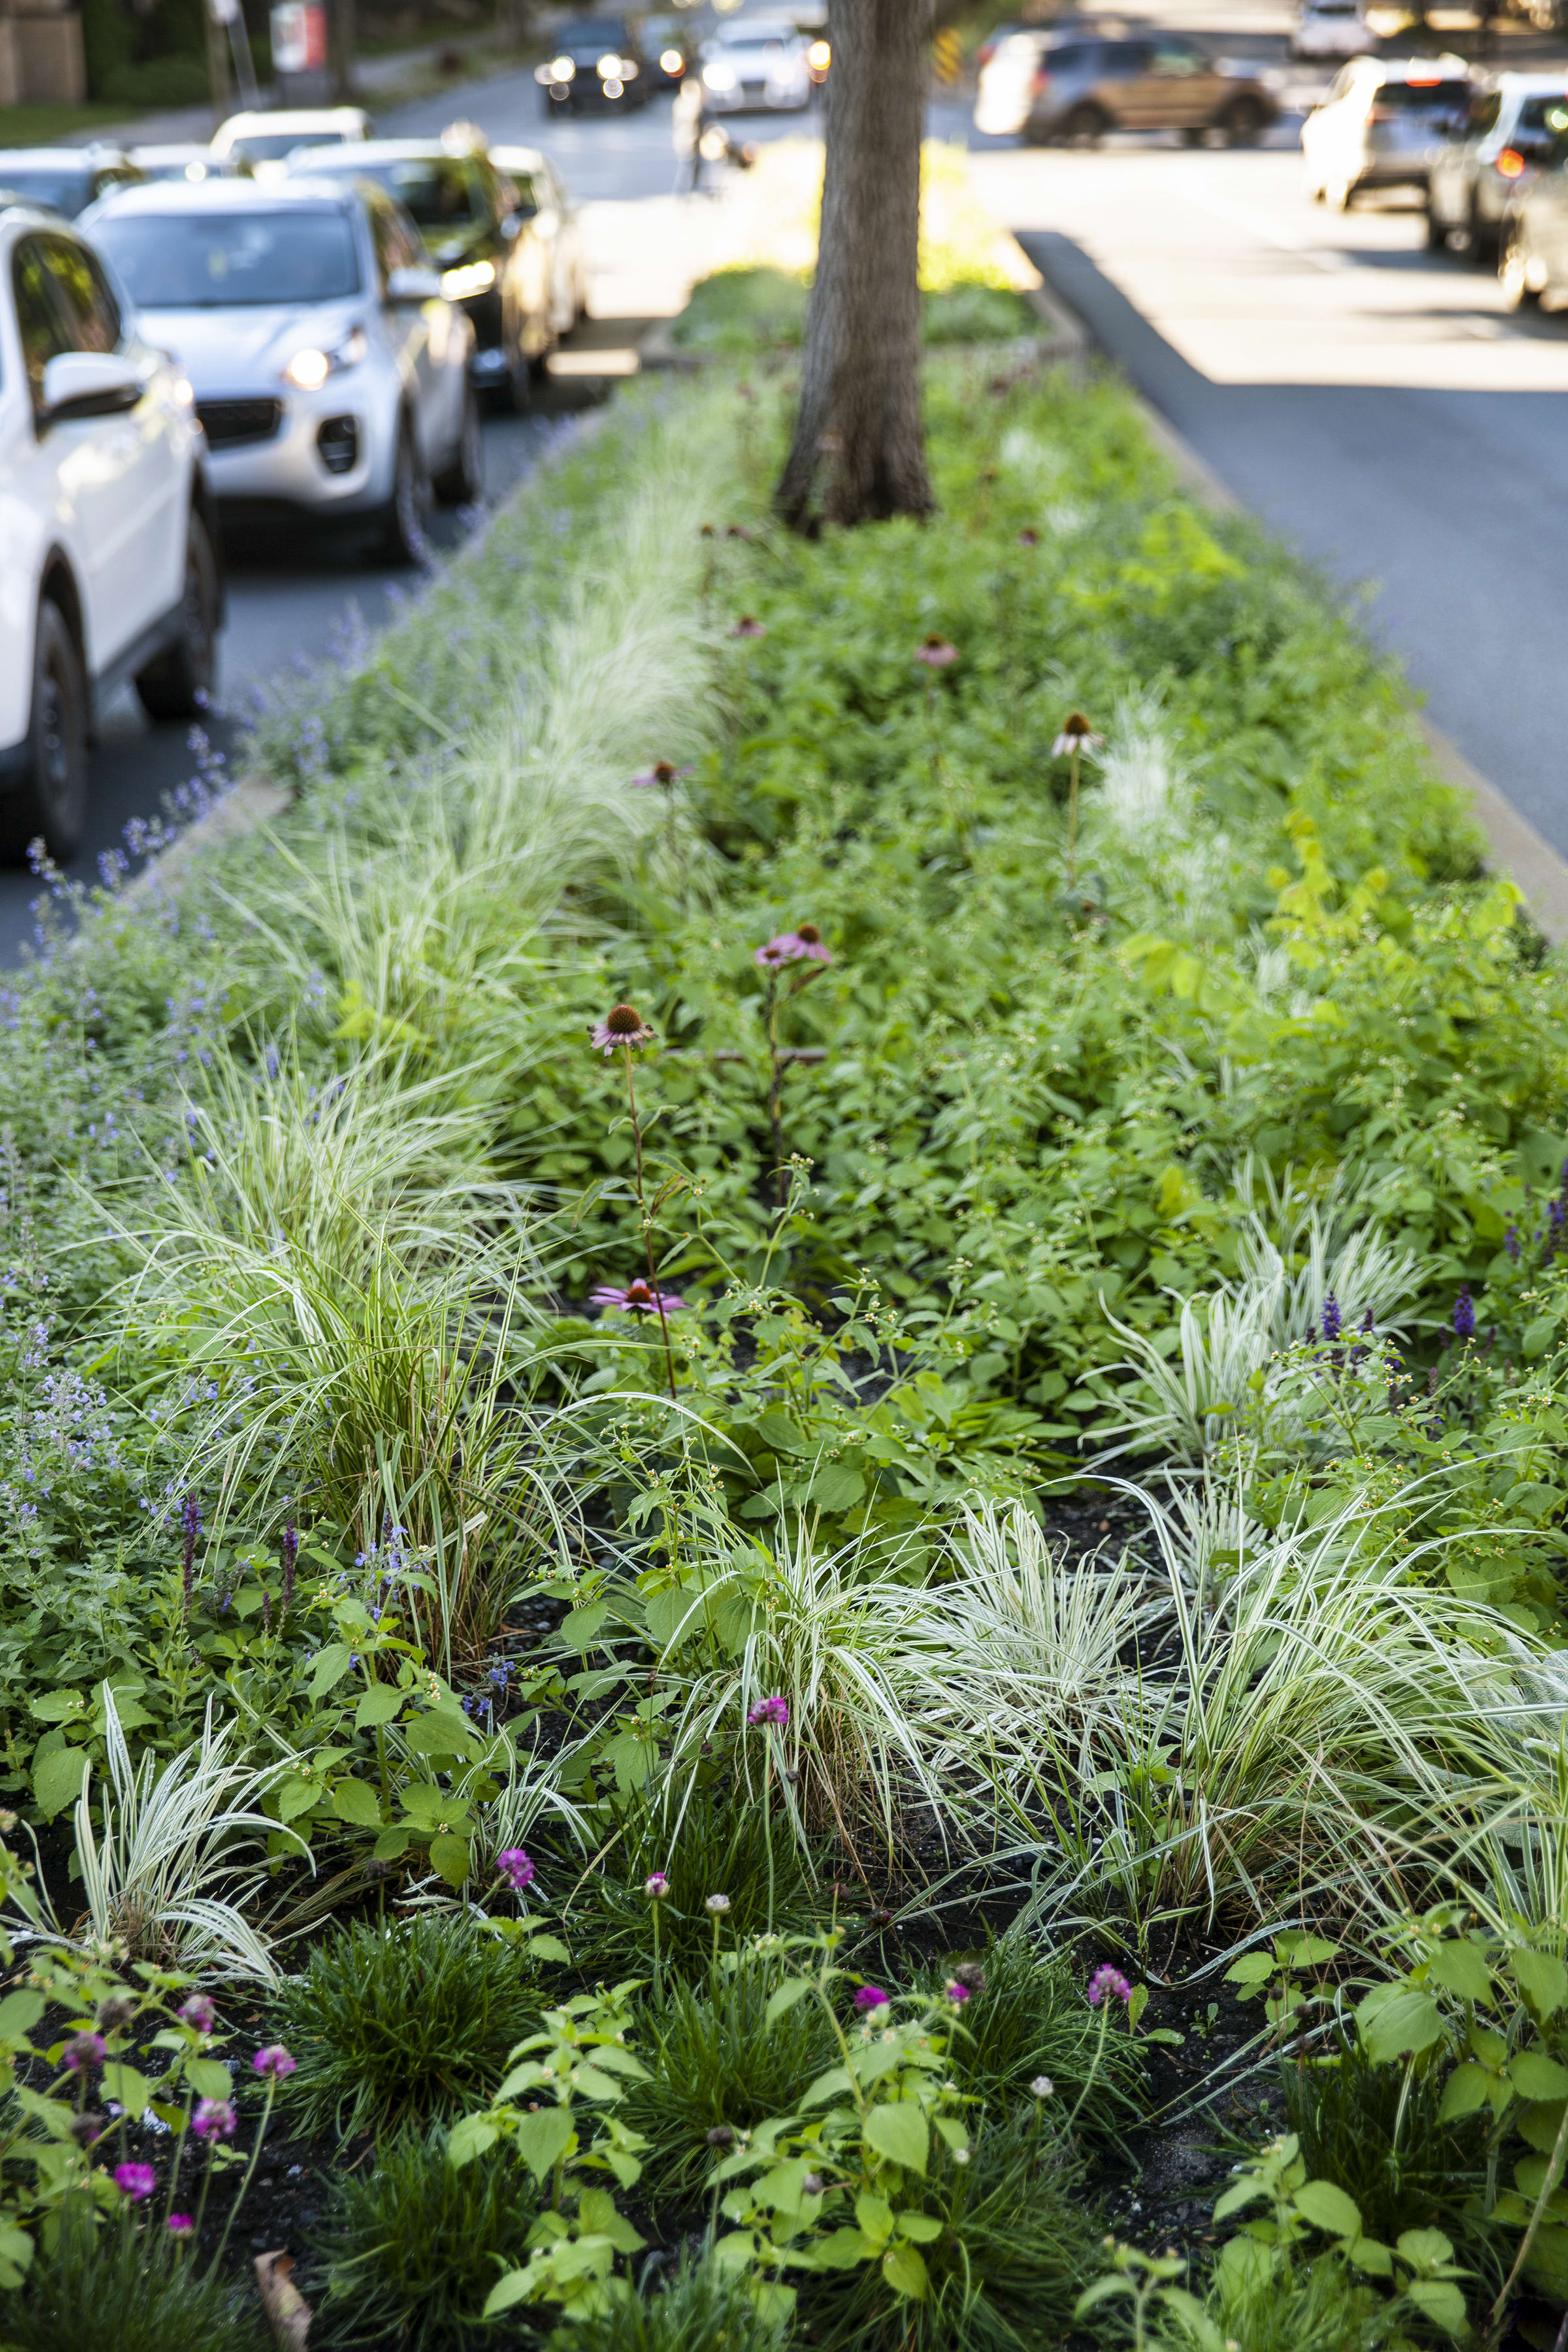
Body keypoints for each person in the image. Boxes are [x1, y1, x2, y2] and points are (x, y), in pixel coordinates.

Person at [672, 69, 708, 193]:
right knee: (686, 166)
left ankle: (695, 187)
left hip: (698, 141)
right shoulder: (684, 104)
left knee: (699, 166)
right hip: (686, 141)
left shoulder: (700, 104)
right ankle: (684, 190)